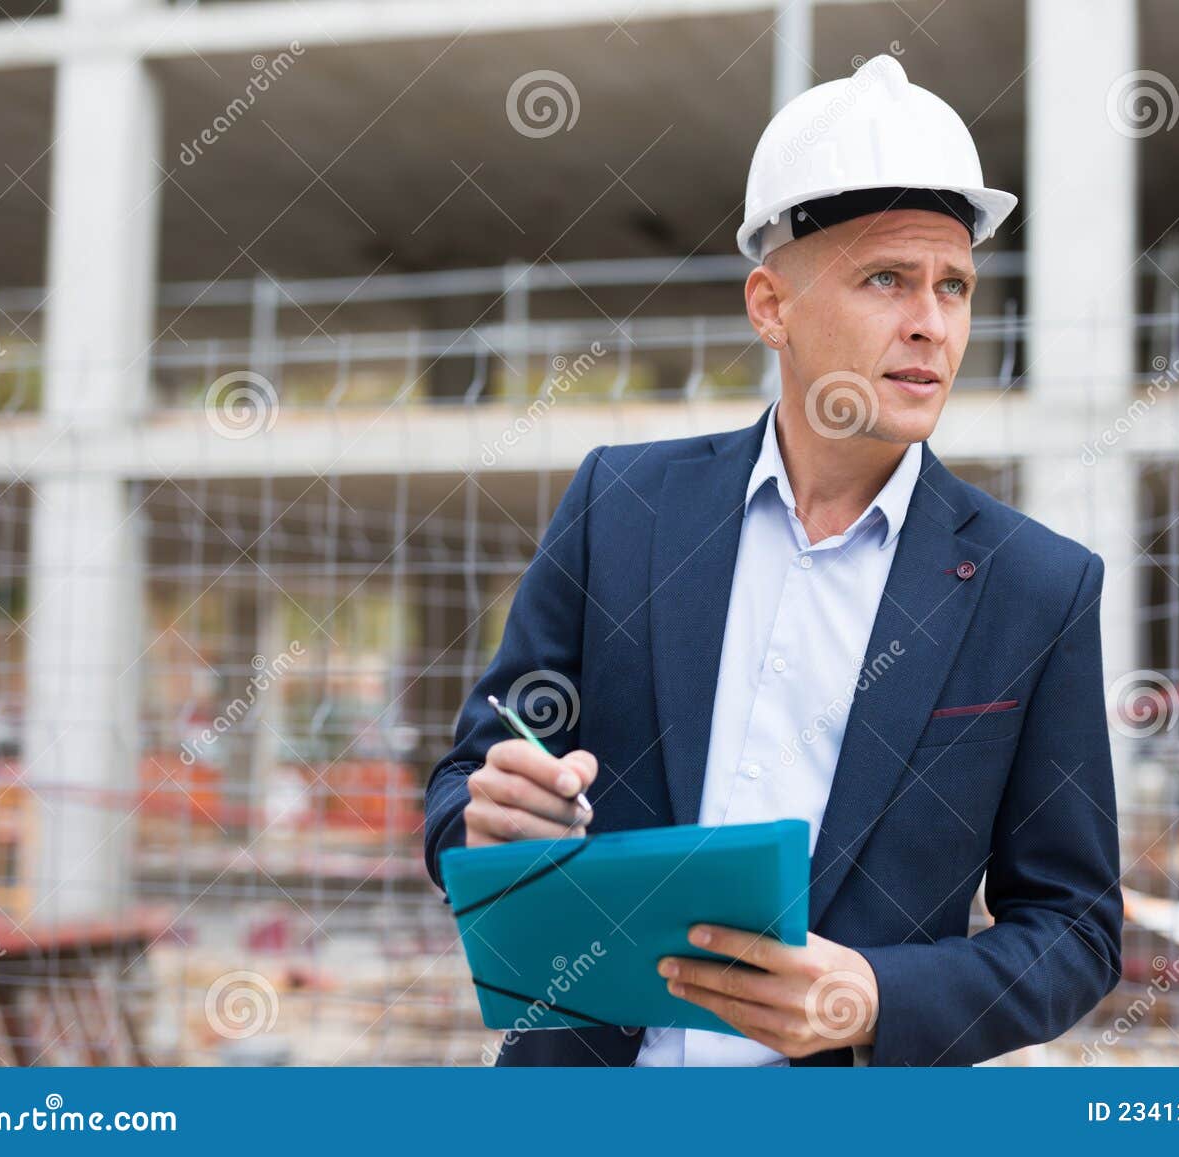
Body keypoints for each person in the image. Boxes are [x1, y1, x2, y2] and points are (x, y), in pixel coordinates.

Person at [424, 54, 1121, 1066]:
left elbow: (1075, 929)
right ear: (770, 306)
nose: (931, 323)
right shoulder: (621, 507)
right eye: (885, 279)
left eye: (954, 286)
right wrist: (486, 823)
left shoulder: (1036, 588)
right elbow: (468, 776)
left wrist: (878, 996)